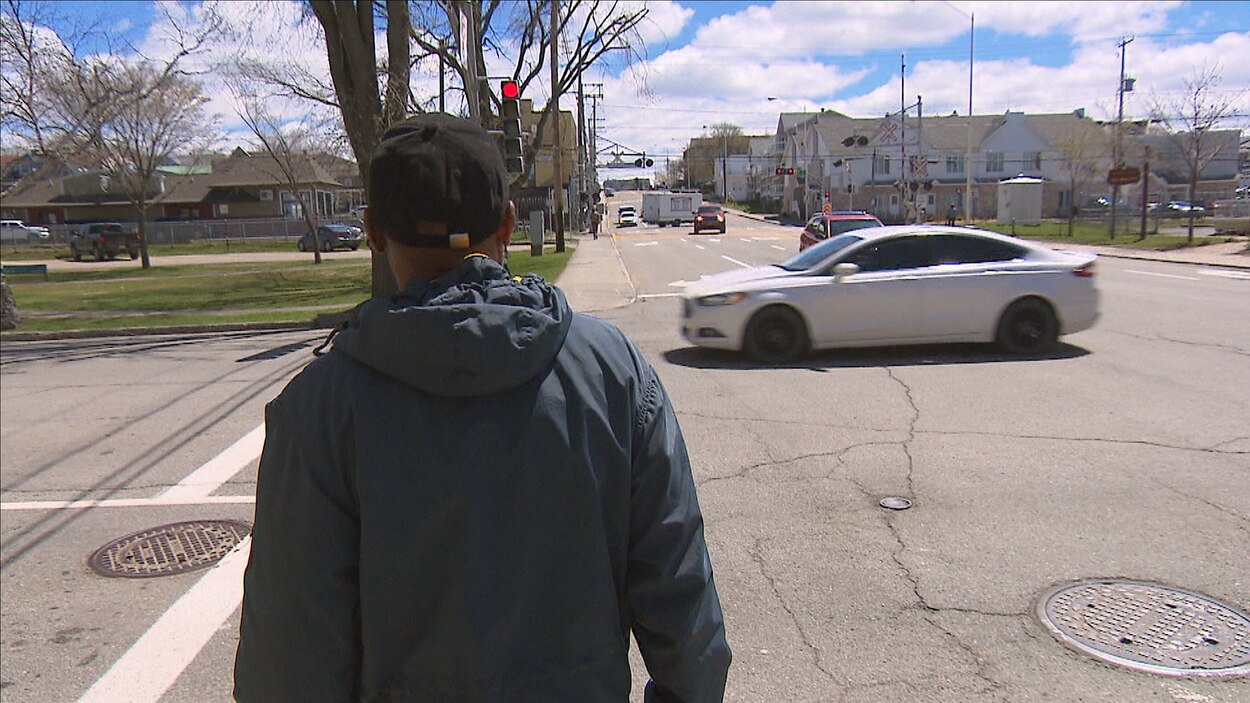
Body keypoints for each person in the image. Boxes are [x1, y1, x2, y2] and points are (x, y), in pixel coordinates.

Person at [234, 113, 731, 703]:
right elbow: (686, 618)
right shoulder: (614, 374)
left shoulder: (319, 410)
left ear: (371, 231)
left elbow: (288, 664)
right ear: (508, 223)